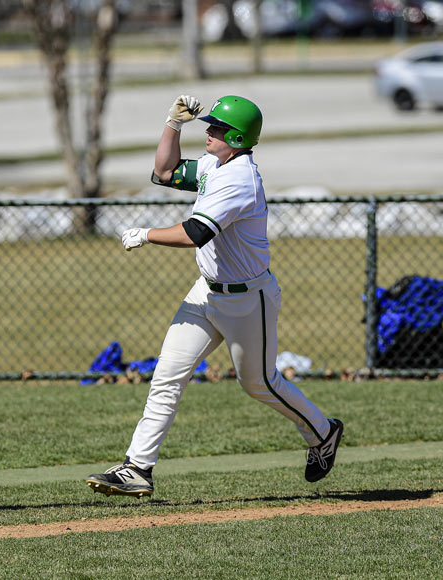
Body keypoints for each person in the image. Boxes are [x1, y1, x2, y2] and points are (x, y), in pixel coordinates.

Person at [86, 95, 343, 498]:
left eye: (217, 129)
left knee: (260, 384)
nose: (208, 131)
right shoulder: (215, 164)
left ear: (237, 138)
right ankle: (138, 467)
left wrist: (146, 234)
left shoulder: (240, 179)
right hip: (206, 290)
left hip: (247, 300)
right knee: (167, 374)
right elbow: (164, 171)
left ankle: (323, 433)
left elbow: (196, 233)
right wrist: (173, 124)